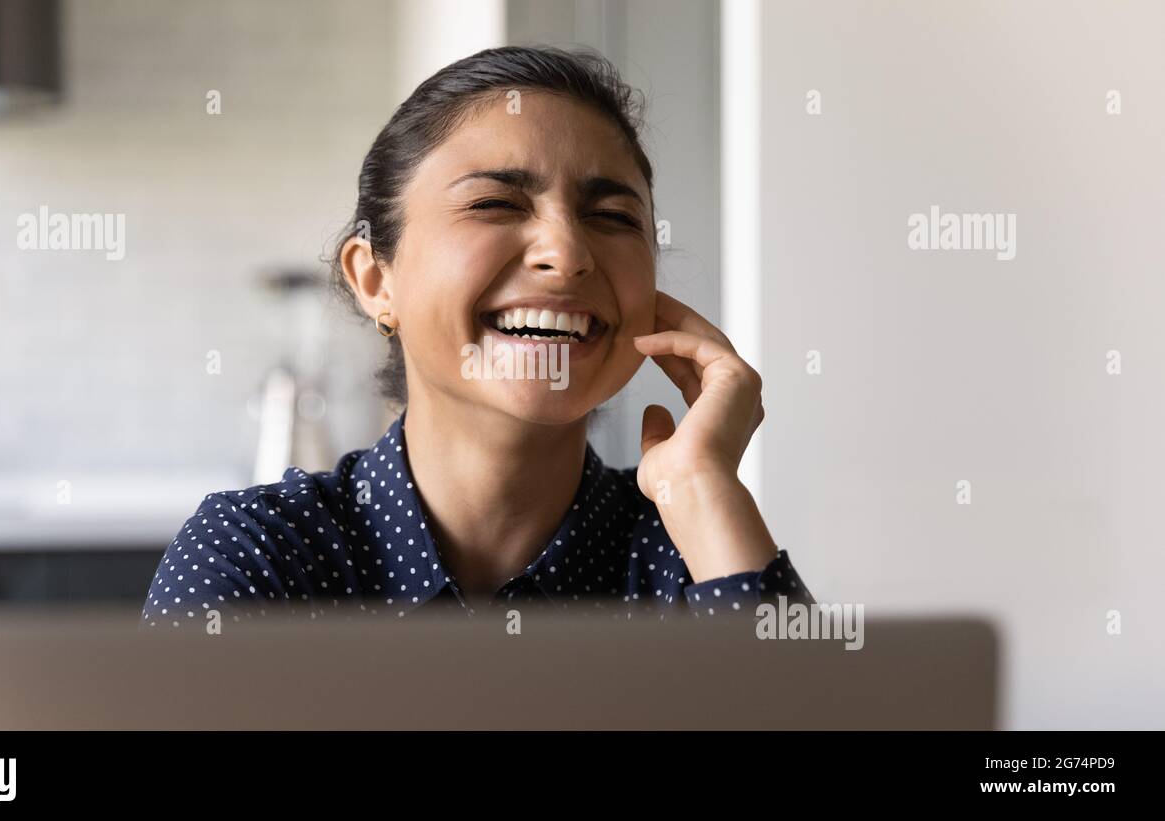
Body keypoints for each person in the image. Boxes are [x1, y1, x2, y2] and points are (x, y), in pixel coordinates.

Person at [141, 45, 814, 629]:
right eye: (495, 203)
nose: (566, 252)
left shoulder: (695, 553)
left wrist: (701, 486)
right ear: (376, 280)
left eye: (611, 216)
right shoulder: (263, 552)